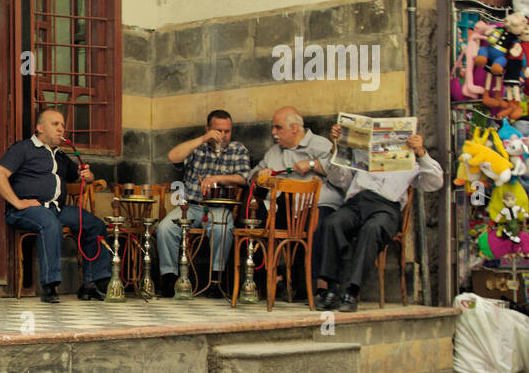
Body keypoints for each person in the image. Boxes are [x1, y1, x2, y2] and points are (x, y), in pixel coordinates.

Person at [314, 125, 444, 312]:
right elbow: (338, 179)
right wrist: (336, 149)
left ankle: (352, 292)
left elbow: (435, 182)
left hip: (386, 207)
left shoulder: (410, 160)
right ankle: (330, 289)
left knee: (372, 229)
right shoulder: (364, 154)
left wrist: (421, 152)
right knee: (332, 223)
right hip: (357, 202)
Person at [0, 108, 112, 303]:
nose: (61, 129)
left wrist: (89, 177)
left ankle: (92, 283)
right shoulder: (22, 149)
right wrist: (18, 202)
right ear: (39, 128)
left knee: (94, 224)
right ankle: (50, 286)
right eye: (55, 124)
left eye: (63, 125)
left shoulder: (61, 156)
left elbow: (81, 176)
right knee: (49, 223)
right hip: (28, 210)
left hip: (57, 209)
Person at [248, 106, 342, 299]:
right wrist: (260, 175)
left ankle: (320, 285)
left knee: (320, 222)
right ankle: (275, 278)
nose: (273, 132)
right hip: (285, 209)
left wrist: (313, 164)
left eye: (278, 128)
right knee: (257, 219)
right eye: (273, 128)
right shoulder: (273, 152)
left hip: (316, 205)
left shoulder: (320, 144)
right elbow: (251, 177)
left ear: (294, 128)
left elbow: (340, 171)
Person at [156, 109, 250, 296]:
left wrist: (217, 178)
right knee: (165, 228)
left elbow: (244, 178)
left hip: (220, 206)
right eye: (218, 131)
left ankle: (216, 281)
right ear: (208, 128)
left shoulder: (238, 149)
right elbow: (173, 156)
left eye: (227, 131)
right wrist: (203, 139)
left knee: (221, 227)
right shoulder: (196, 147)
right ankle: (169, 279)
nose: (223, 135)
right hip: (190, 206)